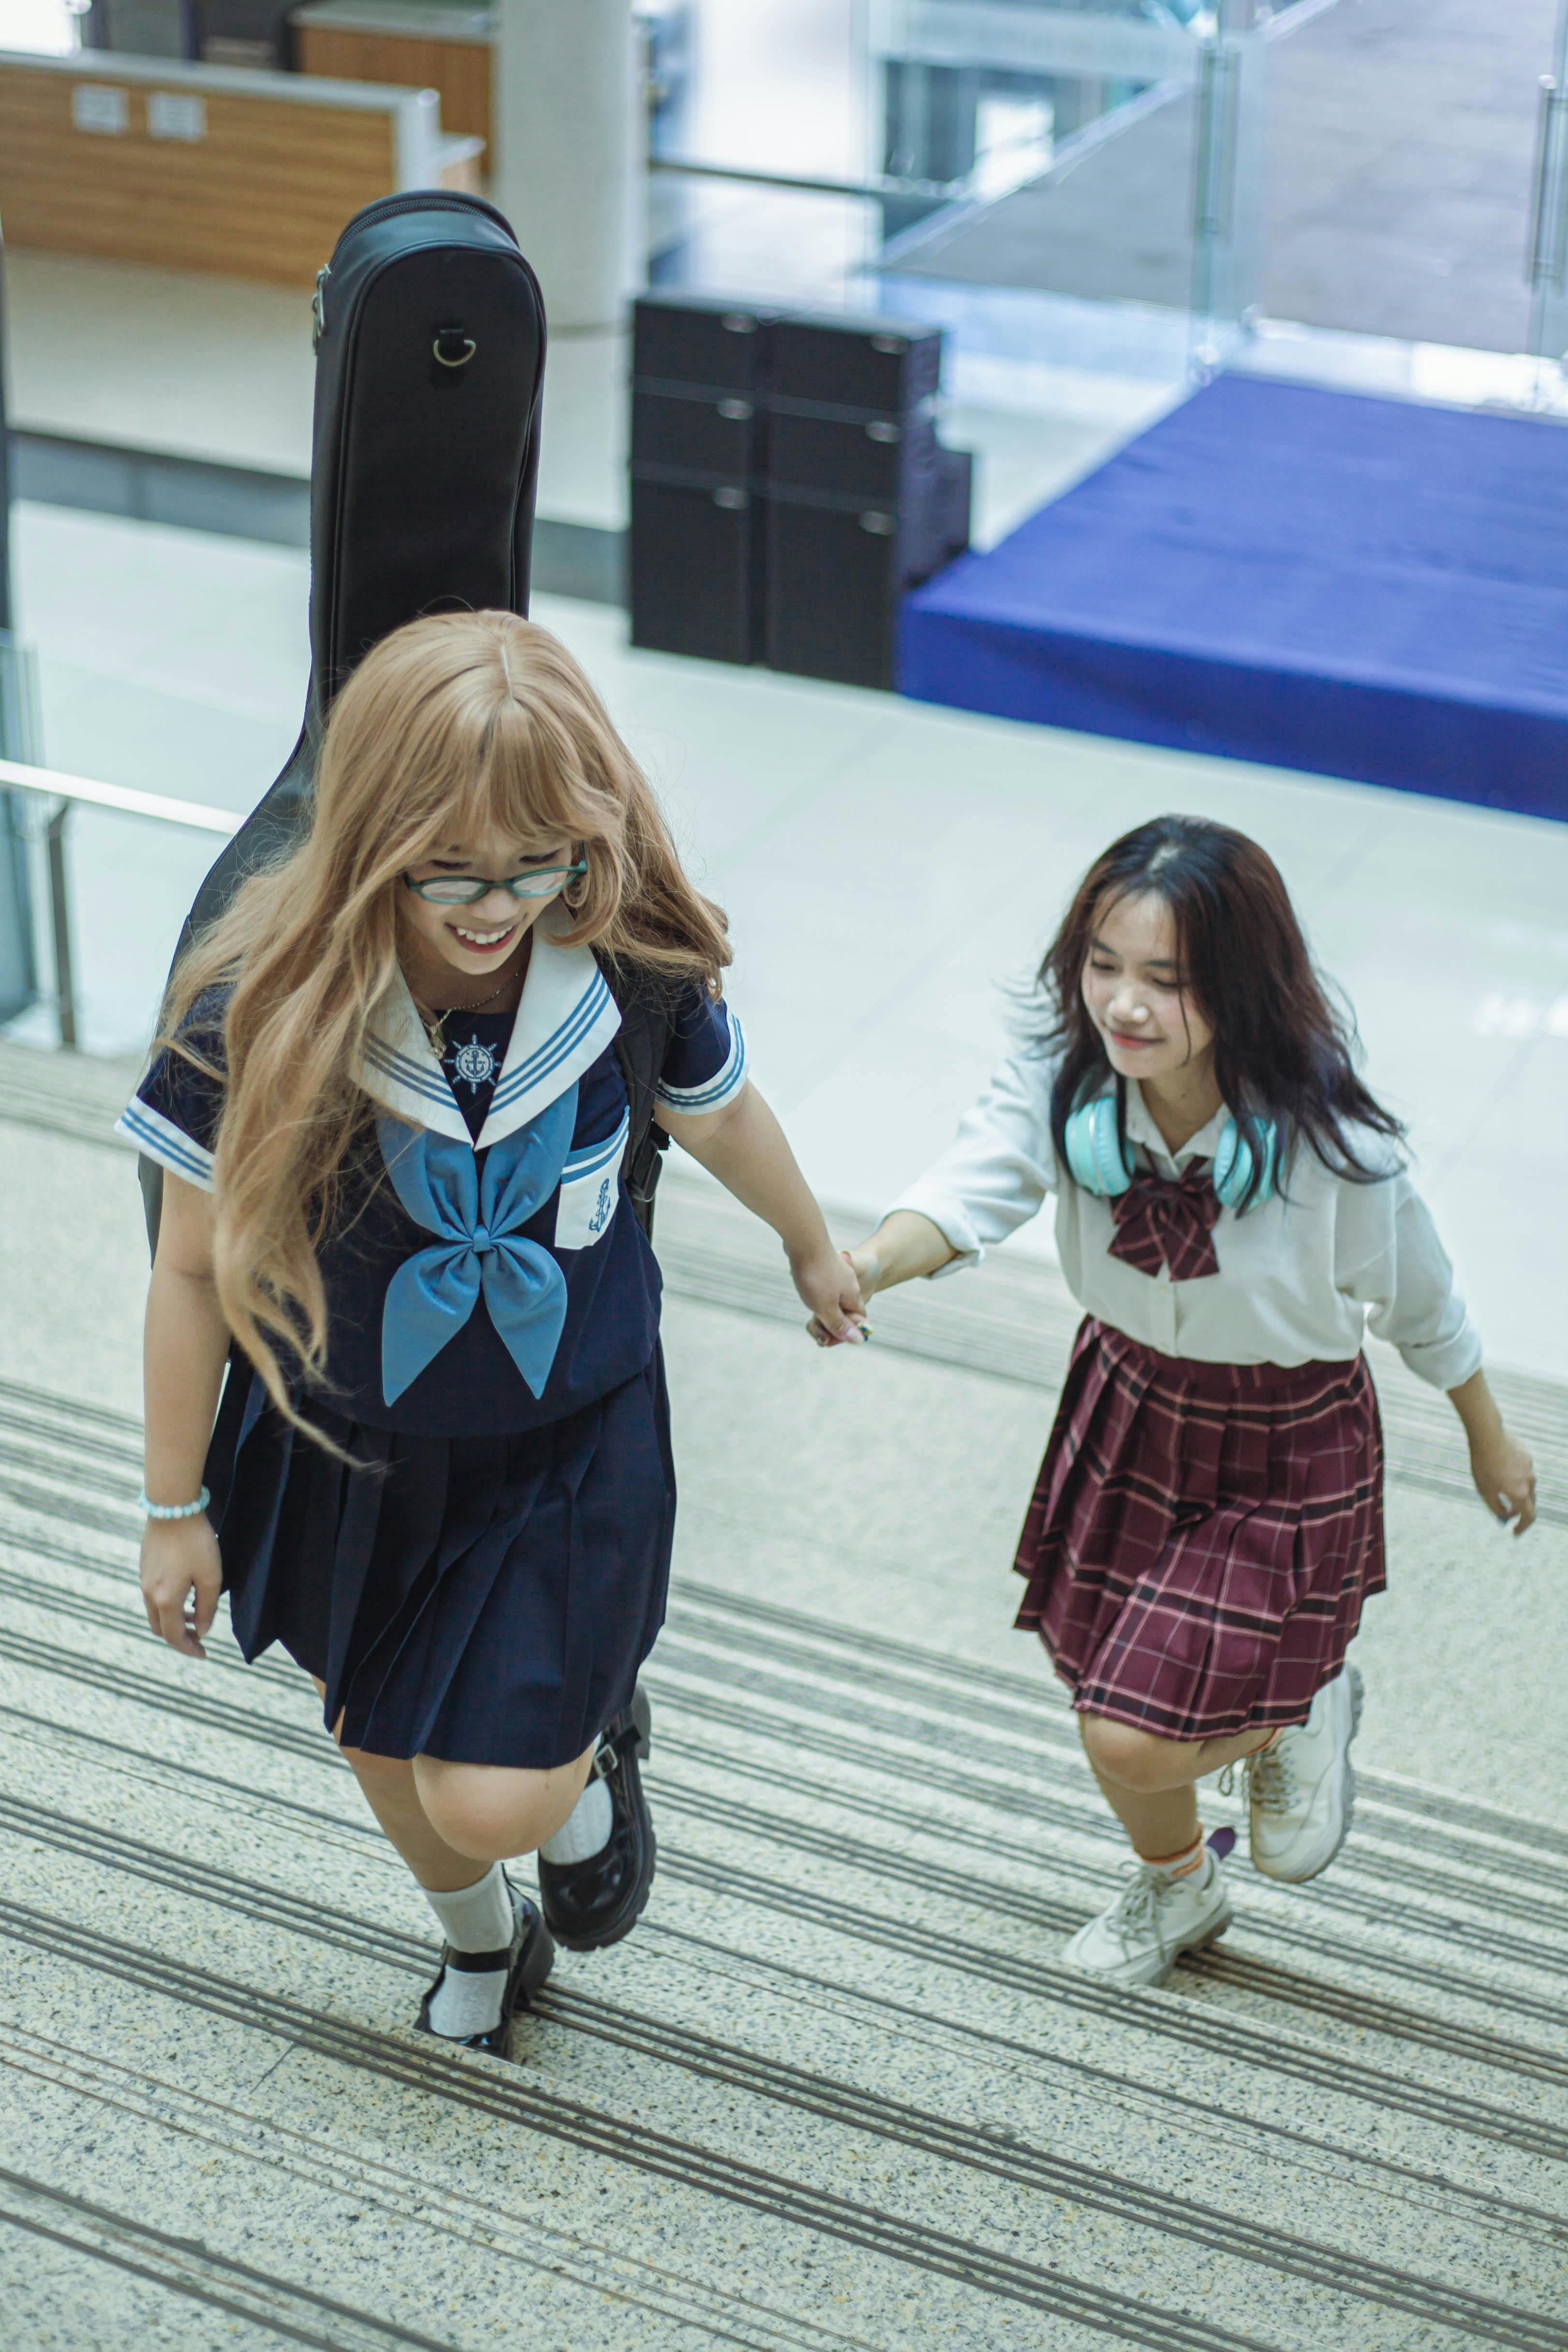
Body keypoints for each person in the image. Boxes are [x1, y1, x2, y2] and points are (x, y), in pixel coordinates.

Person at [122, 610, 866, 2057]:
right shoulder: (260, 1002)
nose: (494, 904)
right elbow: (193, 1272)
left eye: (539, 864)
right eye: (448, 870)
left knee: (495, 1793)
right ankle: (484, 1939)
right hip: (351, 1434)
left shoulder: (630, 964)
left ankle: (587, 1748)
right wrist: (172, 1506)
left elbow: (715, 1117)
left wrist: (810, 1240)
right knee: (380, 1741)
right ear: (367, 839)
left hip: (567, 1434)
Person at [830, 815, 1535, 1988]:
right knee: (1097, 1674)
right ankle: (1179, 1886)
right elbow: (967, 1188)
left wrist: (1488, 1436)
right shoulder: (1065, 1084)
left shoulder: (1330, 1145)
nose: (1125, 1005)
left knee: (1126, 1723)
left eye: (1167, 978)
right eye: (1105, 964)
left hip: (1288, 1441)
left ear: (1244, 986)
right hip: (1128, 1405)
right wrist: (861, 1267)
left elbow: (1424, 1301)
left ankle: (1300, 1704)